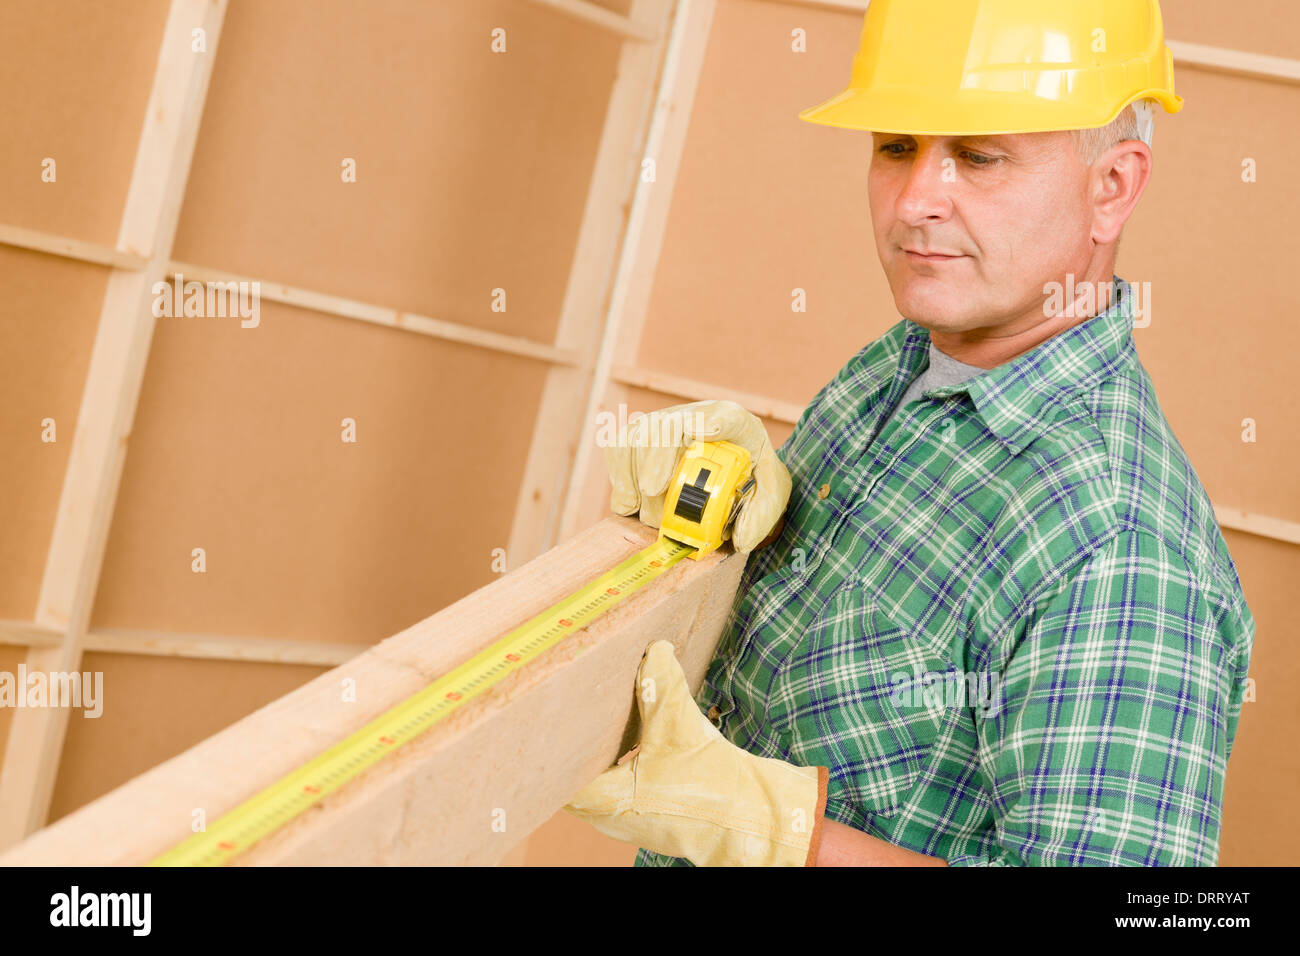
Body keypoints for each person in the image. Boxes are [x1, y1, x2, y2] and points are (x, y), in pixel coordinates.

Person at [563, 0, 1255, 866]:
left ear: (1111, 187)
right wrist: (746, 498)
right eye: (897, 146)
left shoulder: (1117, 549)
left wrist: (785, 834)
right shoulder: (901, 366)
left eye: (979, 154)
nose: (917, 199)